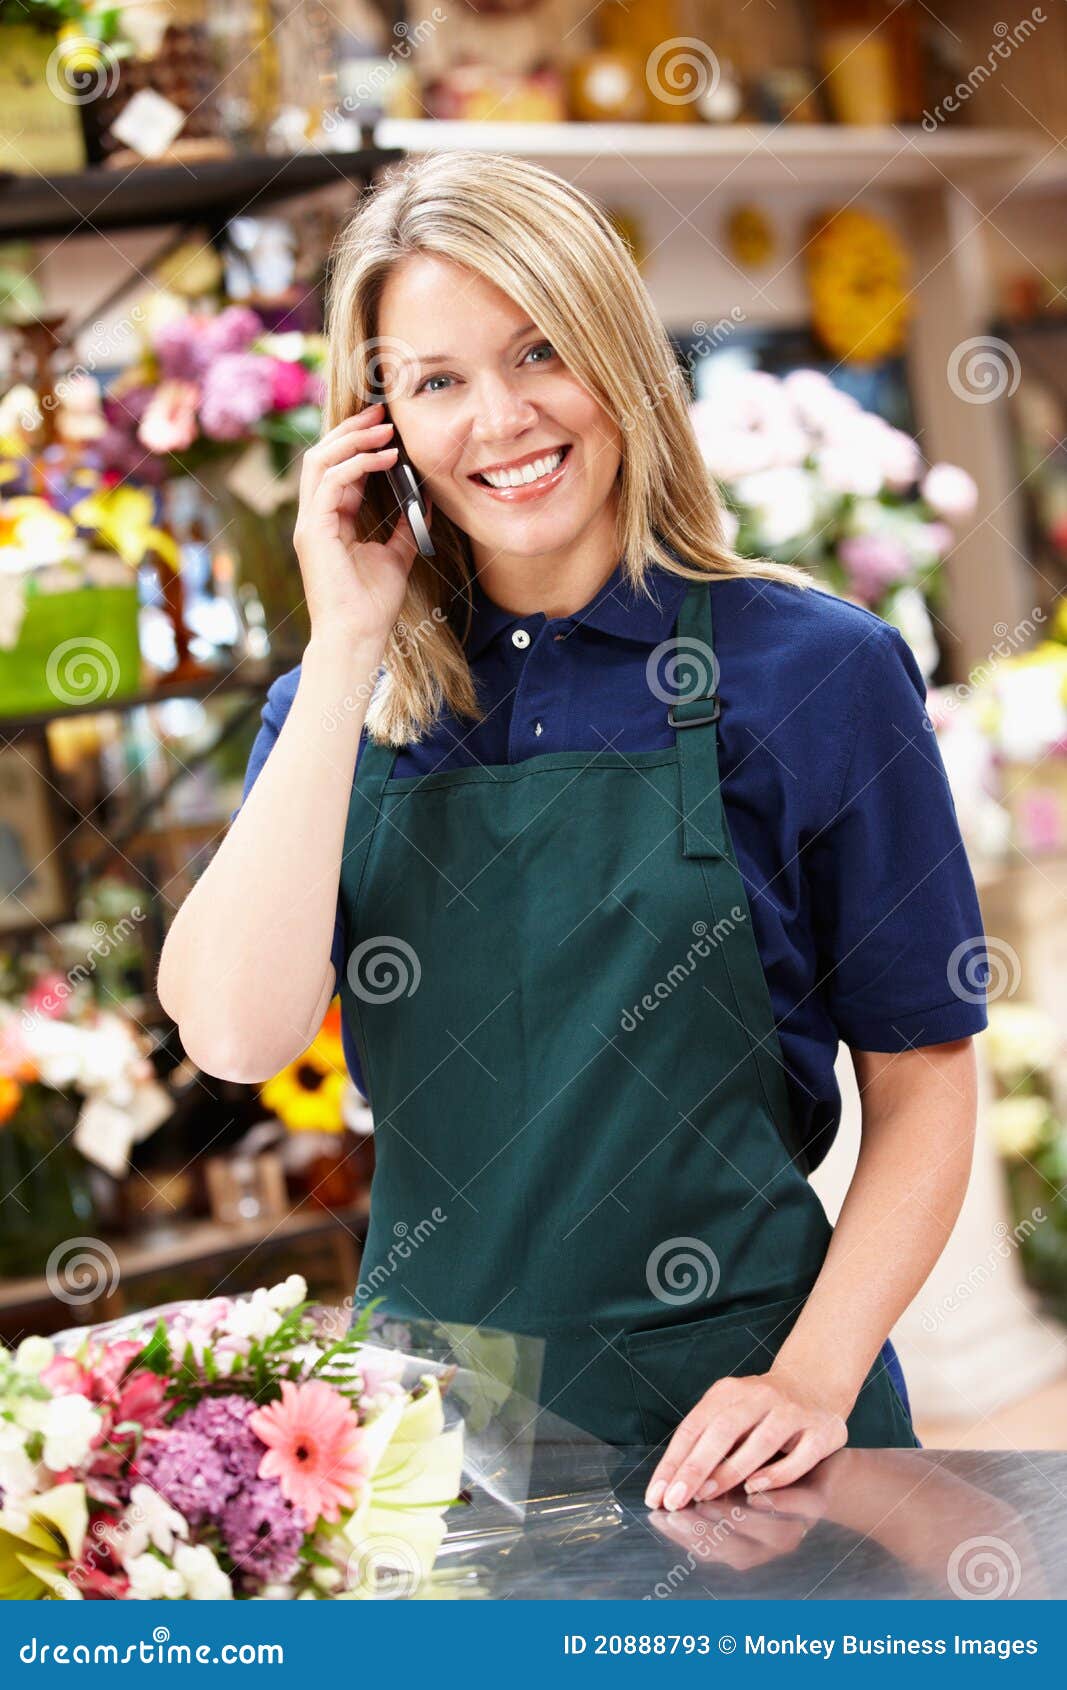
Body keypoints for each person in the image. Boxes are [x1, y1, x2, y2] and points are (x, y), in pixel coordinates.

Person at [158, 151, 987, 1511]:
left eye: (541, 349)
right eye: (433, 379)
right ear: (379, 426)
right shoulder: (339, 706)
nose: (499, 417)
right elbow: (239, 1037)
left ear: (621, 357)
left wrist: (812, 1378)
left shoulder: (817, 670)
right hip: (435, 1453)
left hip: (745, 1422)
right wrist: (353, 636)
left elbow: (926, 1078)